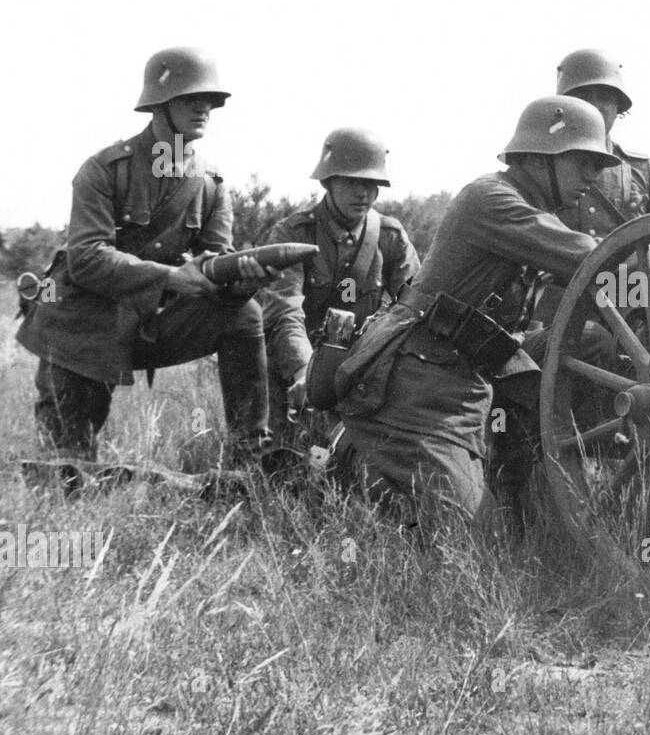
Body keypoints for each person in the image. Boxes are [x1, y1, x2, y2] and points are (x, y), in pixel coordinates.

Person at [333, 96, 619, 531]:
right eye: (584, 162)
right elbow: (590, 257)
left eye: (598, 166)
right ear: (540, 159)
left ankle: (543, 458)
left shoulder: (532, 209)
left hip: (480, 368)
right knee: (477, 536)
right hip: (421, 380)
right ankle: (359, 456)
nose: (594, 177)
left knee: (592, 340)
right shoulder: (490, 200)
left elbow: (597, 279)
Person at [17, 47, 273, 462]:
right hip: (81, 324)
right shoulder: (104, 169)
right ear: (158, 104)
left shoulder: (210, 184)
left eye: (210, 100)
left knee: (244, 313)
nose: (204, 107)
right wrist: (171, 278)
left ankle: (250, 456)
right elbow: (86, 259)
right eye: (191, 98)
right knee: (66, 464)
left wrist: (237, 282)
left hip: (147, 323)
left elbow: (212, 264)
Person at [259, 127, 420, 443]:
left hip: (361, 367)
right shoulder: (293, 233)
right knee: (280, 463)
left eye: (370, 183)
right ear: (328, 181)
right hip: (295, 366)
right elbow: (284, 313)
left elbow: (414, 310)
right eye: (351, 181)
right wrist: (305, 372)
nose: (362, 193)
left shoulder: (390, 237)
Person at [554, 47, 650, 239]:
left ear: (618, 108)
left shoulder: (644, 170)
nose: (595, 106)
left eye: (605, 97)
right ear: (564, 107)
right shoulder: (543, 167)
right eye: (583, 98)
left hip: (634, 270)